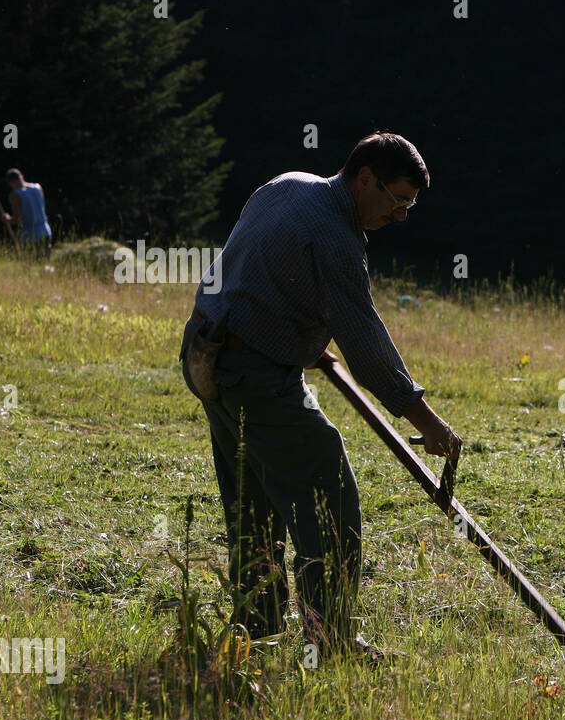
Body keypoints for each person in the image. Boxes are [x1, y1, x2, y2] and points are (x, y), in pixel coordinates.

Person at [179, 132, 461, 661]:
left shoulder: (288, 186)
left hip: (204, 352)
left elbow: (255, 266)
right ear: (363, 178)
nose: (401, 215)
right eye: (397, 200)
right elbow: (365, 342)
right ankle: (329, 638)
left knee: (253, 497)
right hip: (253, 376)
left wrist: (295, 336)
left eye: (410, 206)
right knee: (327, 490)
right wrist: (424, 418)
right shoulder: (336, 237)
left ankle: (255, 622)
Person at [3, 168, 53, 257]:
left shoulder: (15, 195)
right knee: (45, 263)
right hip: (45, 231)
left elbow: (17, 220)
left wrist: (7, 219)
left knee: (32, 265)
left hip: (30, 235)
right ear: (21, 177)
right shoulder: (38, 187)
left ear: (10, 183)